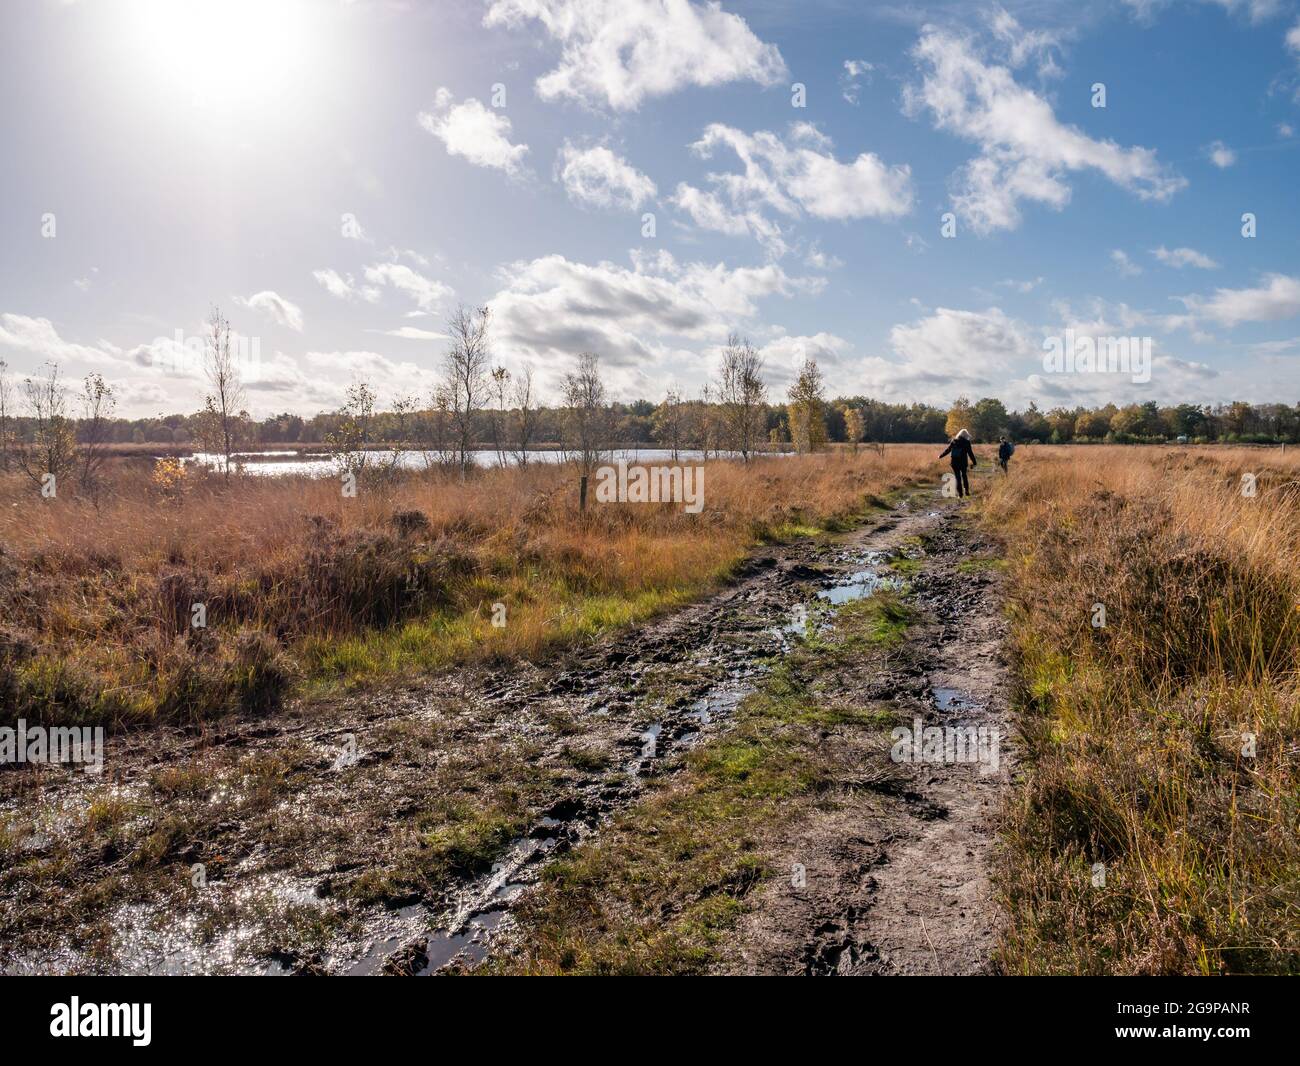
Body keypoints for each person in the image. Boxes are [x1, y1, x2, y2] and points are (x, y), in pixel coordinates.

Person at [939, 428, 977, 497]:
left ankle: (960, 494)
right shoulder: (967, 442)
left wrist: (941, 456)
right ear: (966, 435)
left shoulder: (954, 441)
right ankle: (967, 491)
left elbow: (948, 450)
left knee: (957, 477)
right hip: (963, 462)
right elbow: (970, 453)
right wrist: (974, 462)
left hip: (954, 462)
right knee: (964, 476)